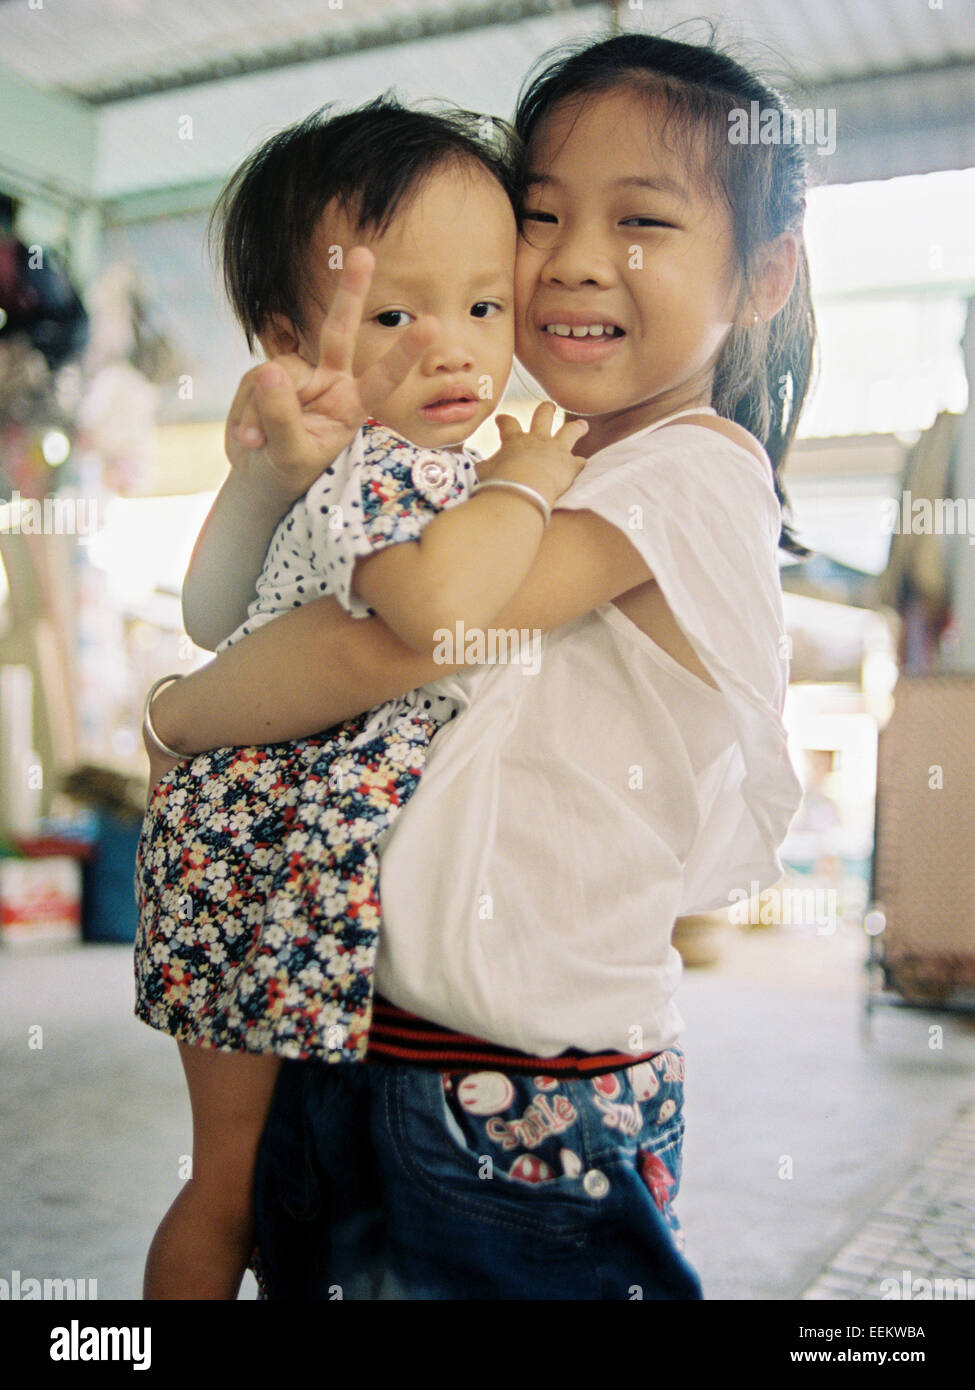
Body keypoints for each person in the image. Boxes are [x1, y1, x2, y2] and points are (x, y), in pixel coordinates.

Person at [143, 30, 814, 1299]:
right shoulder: (503, 470)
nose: (570, 260)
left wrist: (181, 720)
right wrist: (284, 476)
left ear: (766, 273)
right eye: (543, 212)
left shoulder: (687, 474)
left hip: (525, 1093)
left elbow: (400, 636)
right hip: (387, 1048)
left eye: (643, 222)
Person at [134, 97, 588, 1300]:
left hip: (260, 853)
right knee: (234, 1176)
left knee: (249, 1170)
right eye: (396, 313)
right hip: (265, 854)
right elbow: (437, 616)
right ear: (294, 334)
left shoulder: (360, 459)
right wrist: (529, 484)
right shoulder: (387, 465)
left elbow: (206, 614)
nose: (454, 348)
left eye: (485, 307)